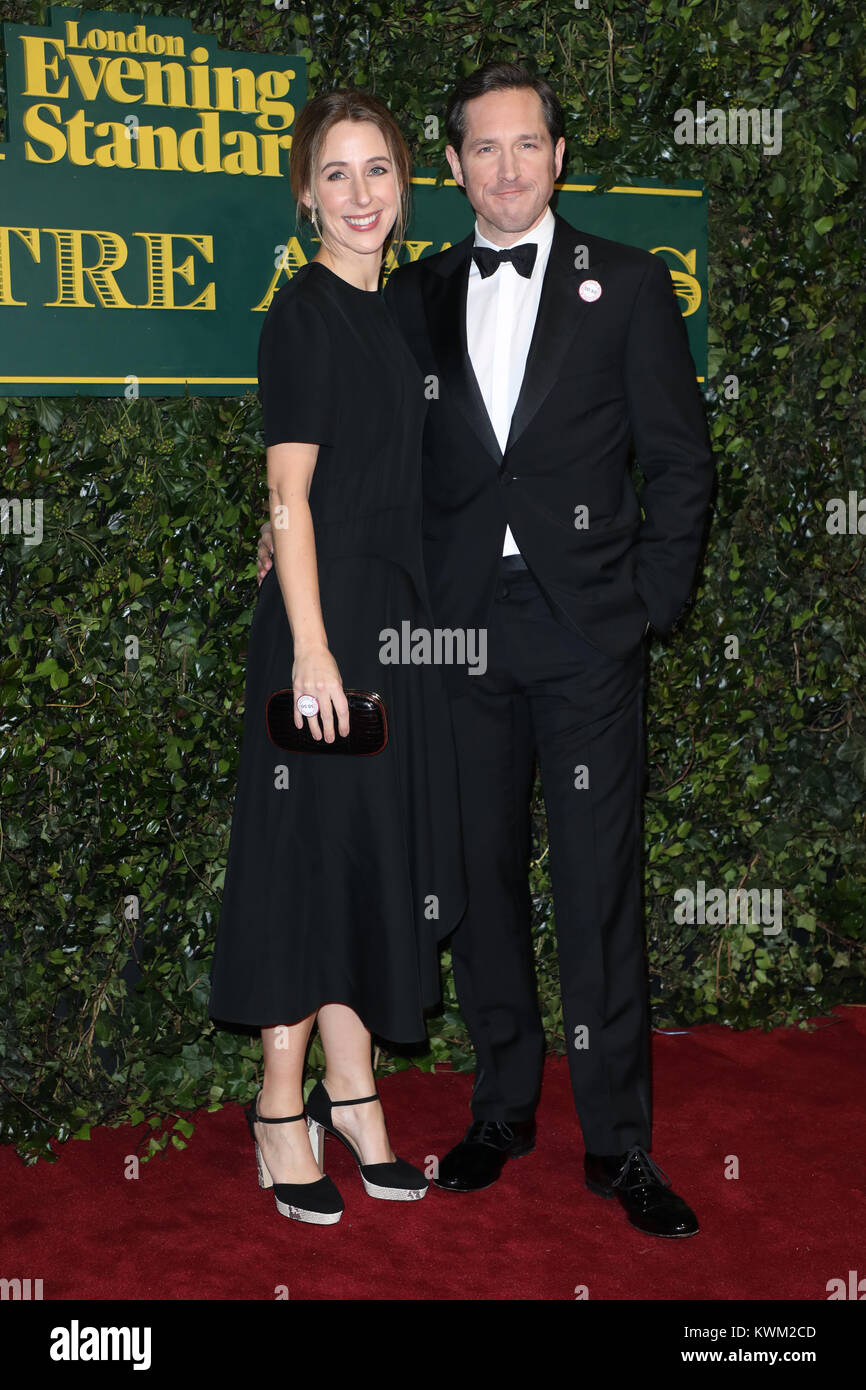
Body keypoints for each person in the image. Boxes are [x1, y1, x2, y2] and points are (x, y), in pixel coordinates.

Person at [258, 61, 715, 1237]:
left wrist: (643, 605)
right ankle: (502, 1108)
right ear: (450, 167)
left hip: (582, 632)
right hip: (445, 638)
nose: (506, 168)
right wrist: (280, 548)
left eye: (528, 146)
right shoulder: (404, 294)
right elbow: (343, 451)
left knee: (596, 887)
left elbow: (679, 462)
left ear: (557, 157)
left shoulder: (626, 283)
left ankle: (618, 1146)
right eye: (482, 149)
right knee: (473, 885)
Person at [209, 89, 466, 1226]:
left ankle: (354, 1096)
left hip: (397, 624)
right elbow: (290, 496)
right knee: (306, 856)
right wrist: (310, 649)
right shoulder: (298, 315)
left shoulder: (408, 310)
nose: (360, 195)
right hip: (322, 632)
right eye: (337, 173)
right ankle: (277, 1109)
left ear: (403, 188)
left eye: (378, 172)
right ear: (304, 192)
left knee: (371, 854)